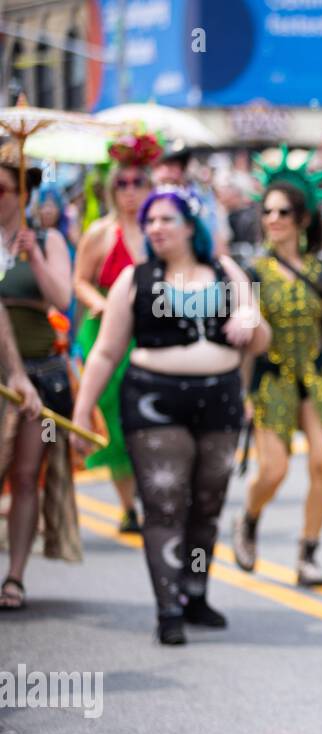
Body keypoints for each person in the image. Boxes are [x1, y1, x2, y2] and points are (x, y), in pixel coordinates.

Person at [72, 187, 269, 644]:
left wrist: (251, 321)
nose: (156, 228)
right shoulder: (133, 279)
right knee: (163, 504)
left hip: (219, 400)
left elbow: (259, 340)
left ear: (189, 226)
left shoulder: (226, 271)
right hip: (153, 401)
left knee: (207, 504)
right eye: (150, 221)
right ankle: (167, 607)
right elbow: (105, 351)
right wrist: (83, 411)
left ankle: (194, 593)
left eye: (166, 219)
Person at [230, 151, 322, 586]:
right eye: (266, 211)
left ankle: (308, 553)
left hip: (317, 373)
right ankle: (248, 519)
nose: (273, 218)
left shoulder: (321, 270)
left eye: (283, 211)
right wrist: (242, 396)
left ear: (303, 219)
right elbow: (244, 344)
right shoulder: (251, 271)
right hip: (272, 378)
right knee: (274, 470)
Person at [0, 147, 76, 611]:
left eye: (3, 190)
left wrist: (36, 257)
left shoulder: (46, 241)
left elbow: (62, 296)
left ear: (22, 194)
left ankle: (15, 575)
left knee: (26, 475)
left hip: (38, 372)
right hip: (3, 374)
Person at [73, 131, 160, 532]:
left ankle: (153, 492)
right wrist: (98, 302)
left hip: (151, 332)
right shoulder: (100, 233)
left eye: (138, 182)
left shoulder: (162, 231)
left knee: (152, 415)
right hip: (107, 334)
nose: (130, 191)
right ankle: (129, 506)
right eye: (122, 183)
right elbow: (80, 280)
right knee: (115, 418)